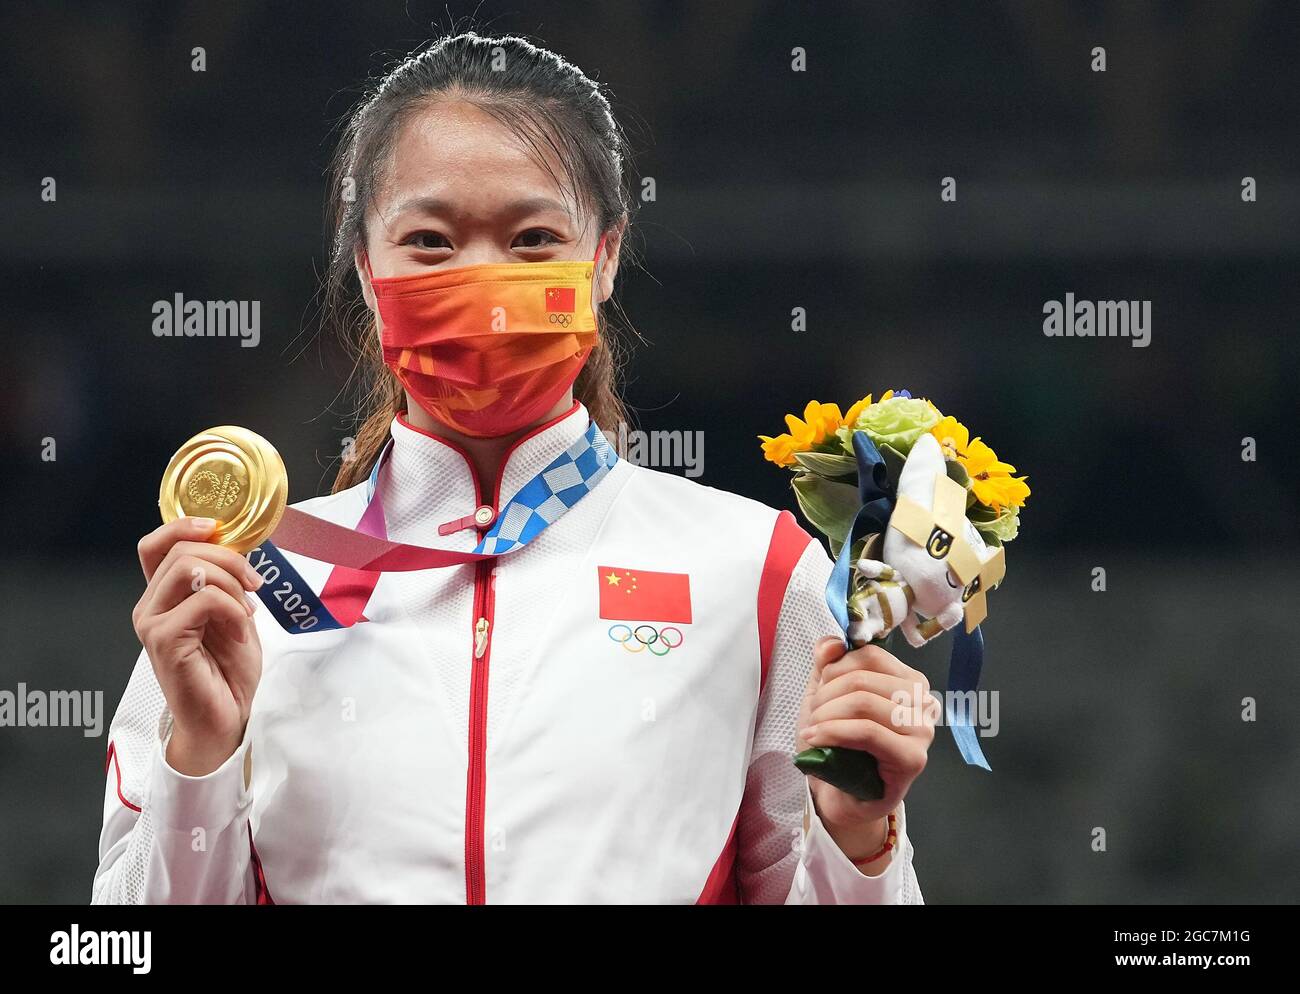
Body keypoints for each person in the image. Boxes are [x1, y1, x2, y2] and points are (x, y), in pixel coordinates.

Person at [94, 31, 934, 904]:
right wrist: (200, 760)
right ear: (365, 265)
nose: (483, 284)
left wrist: (855, 838)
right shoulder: (240, 588)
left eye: (533, 239)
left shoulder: (757, 573)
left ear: (604, 256)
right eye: (429, 240)